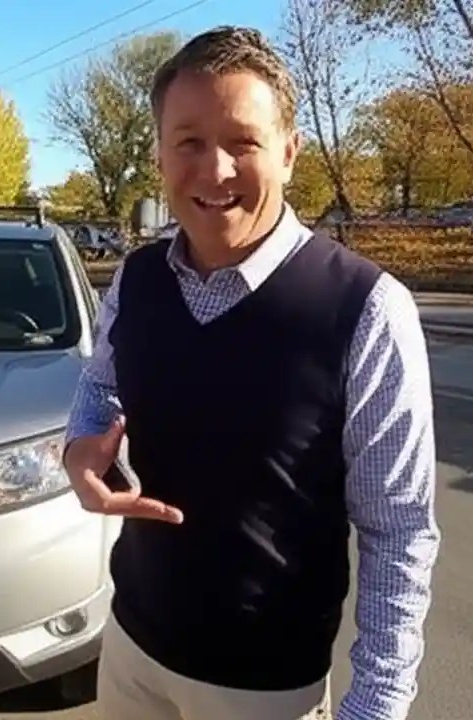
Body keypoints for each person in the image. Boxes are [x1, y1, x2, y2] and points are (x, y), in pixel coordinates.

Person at [63, 26, 440, 720]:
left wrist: (376, 706)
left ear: (290, 153)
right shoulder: (139, 279)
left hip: (268, 691)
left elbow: (400, 531)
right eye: (189, 142)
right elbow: (100, 386)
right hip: (131, 654)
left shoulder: (365, 308)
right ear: (159, 153)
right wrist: (80, 446)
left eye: (243, 142)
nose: (215, 171)